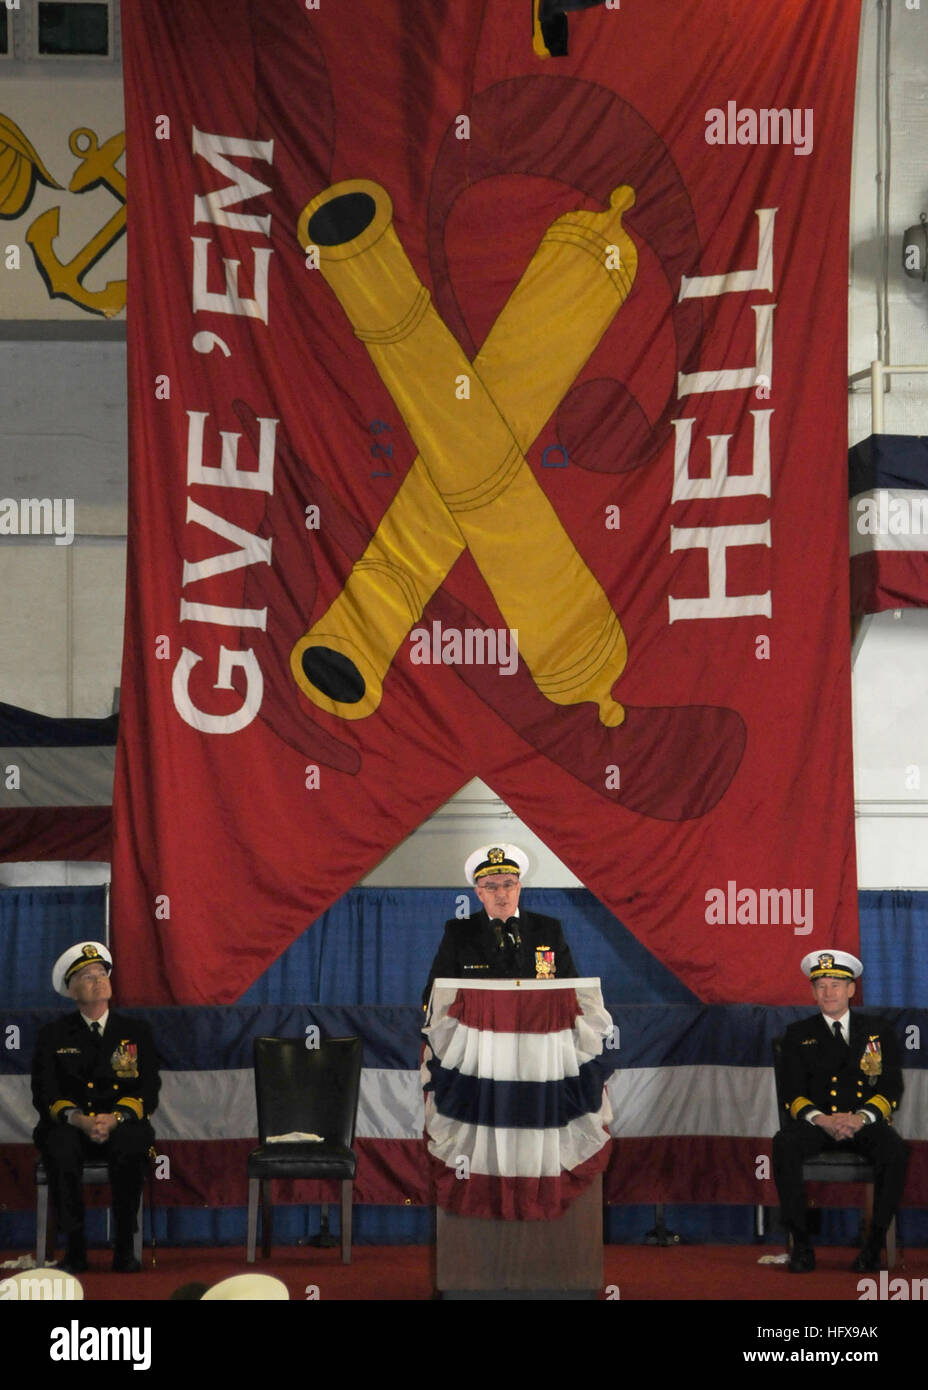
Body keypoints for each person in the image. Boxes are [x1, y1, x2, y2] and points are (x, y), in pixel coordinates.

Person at [772, 949, 906, 1273]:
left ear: (851, 990)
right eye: (821, 986)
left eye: (836, 984)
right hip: (818, 1123)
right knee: (783, 1143)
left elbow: (891, 1089)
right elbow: (792, 1093)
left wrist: (859, 1118)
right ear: (813, 992)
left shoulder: (878, 1031)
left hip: (862, 1123)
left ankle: (873, 1246)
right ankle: (801, 1246)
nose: (828, 992)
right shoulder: (798, 1034)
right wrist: (823, 1119)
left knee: (896, 1150)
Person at [31, 941, 160, 1274]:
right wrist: (79, 1119)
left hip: (121, 1122)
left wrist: (115, 1118)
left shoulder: (136, 1032)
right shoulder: (53, 1034)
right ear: (71, 991)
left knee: (132, 1144)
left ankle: (124, 1246)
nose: (97, 980)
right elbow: (44, 1092)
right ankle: (74, 1248)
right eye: (87, 977)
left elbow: (148, 1089)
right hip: (71, 1125)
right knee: (59, 1147)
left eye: (102, 973)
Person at [422, 843, 577, 1005]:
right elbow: (434, 993)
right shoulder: (459, 932)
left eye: (508, 884)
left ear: (518, 888)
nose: (501, 894)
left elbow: (572, 989)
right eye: (491, 887)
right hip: (478, 1028)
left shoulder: (548, 929)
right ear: (479, 893)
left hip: (539, 1026)